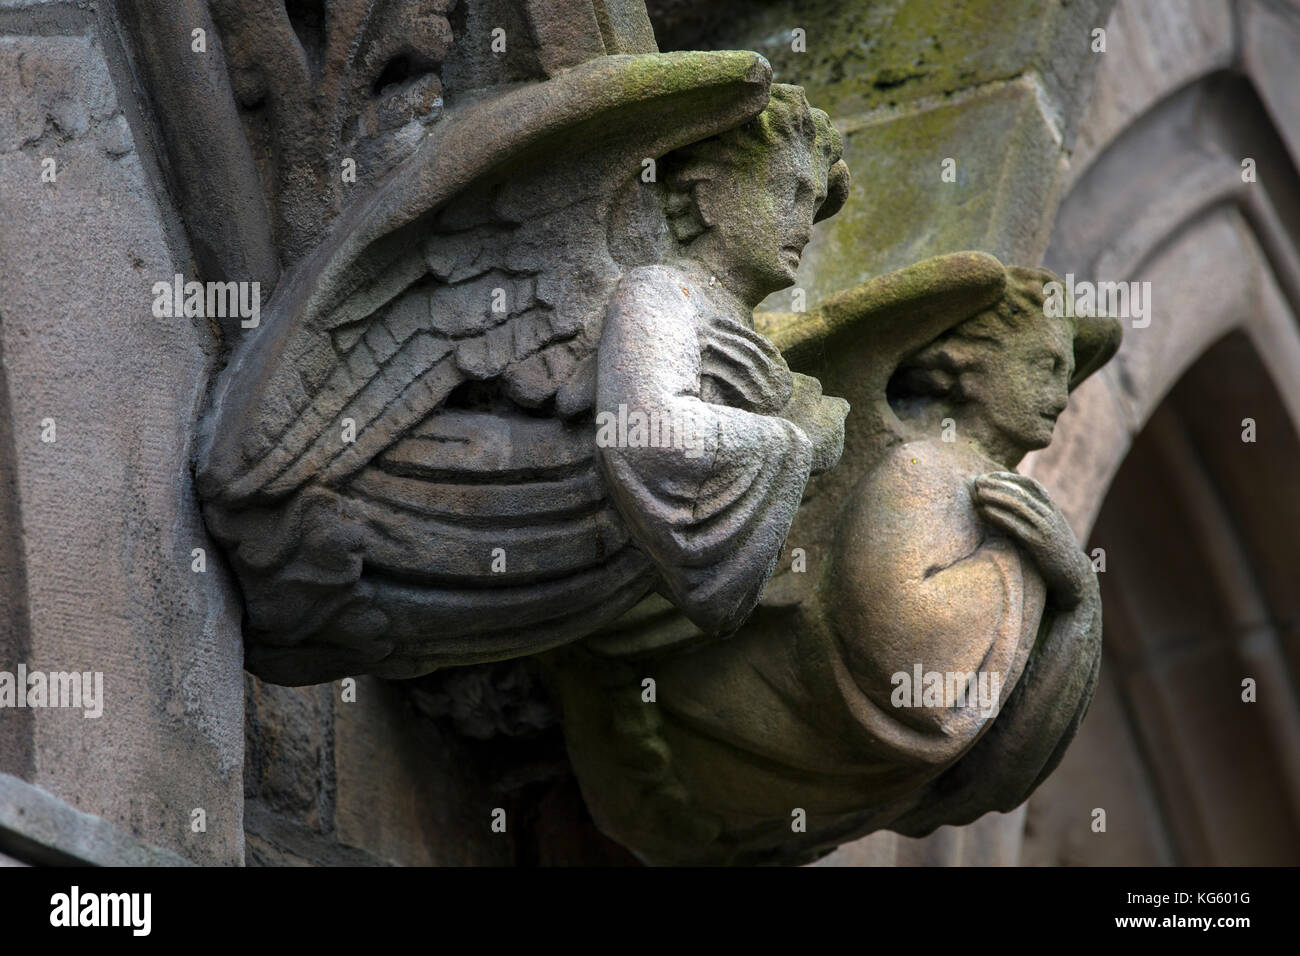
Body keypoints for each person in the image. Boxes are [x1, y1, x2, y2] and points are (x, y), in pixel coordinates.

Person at [596, 83, 851, 635]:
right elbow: (644, 430)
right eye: (787, 193)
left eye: (811, 207)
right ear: (708, 195)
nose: (803, 227)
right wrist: (791, 436)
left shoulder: (743, 336)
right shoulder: (660, 290)